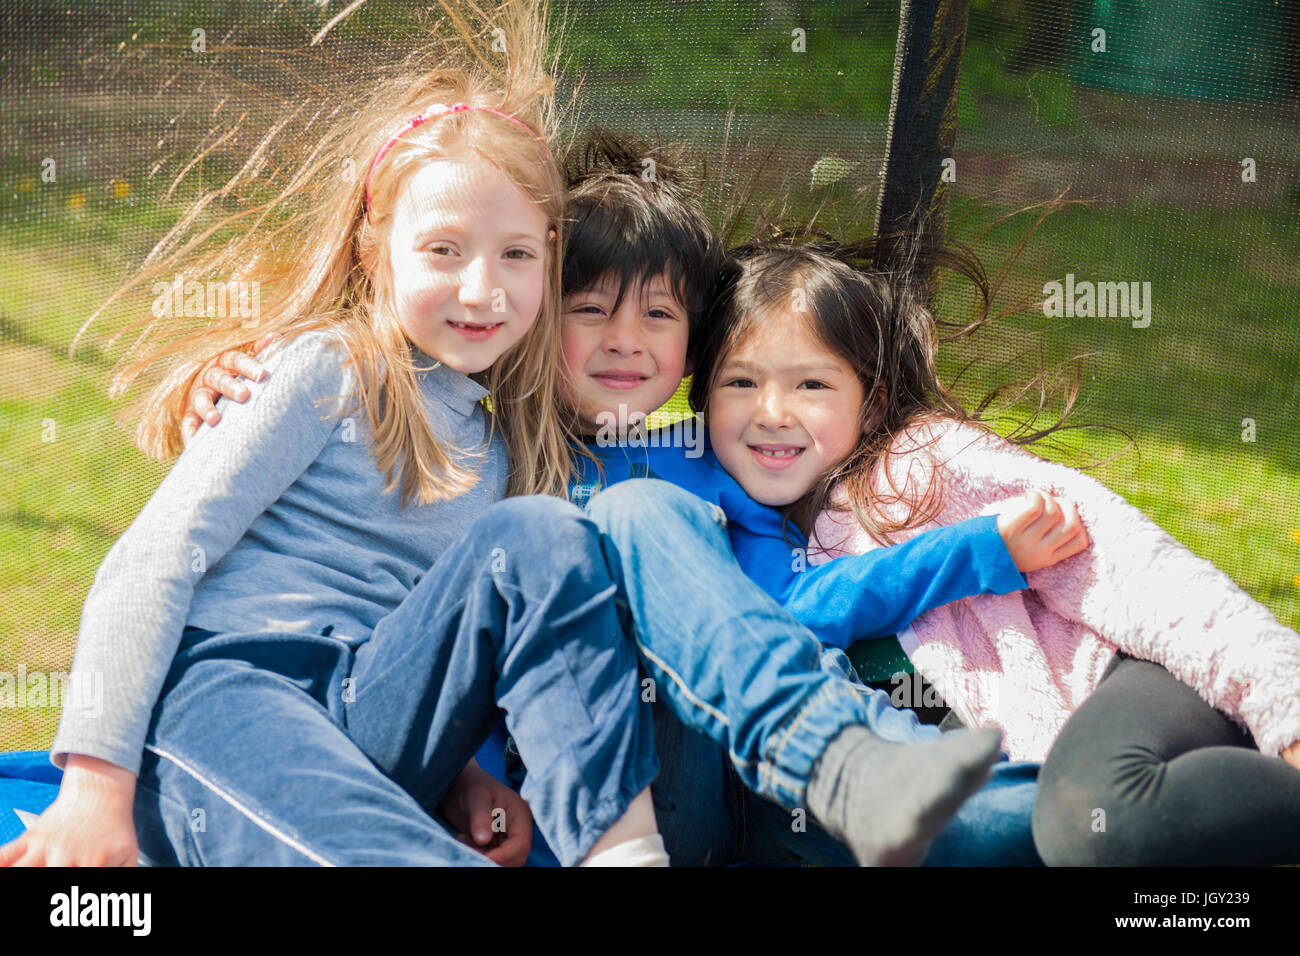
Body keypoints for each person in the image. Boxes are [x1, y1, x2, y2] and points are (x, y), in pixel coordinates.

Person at [183, 130, 1089, 865]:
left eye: (657, 315)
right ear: (539, 313)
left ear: (691, 345)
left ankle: (1062, 807)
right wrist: (225, 377)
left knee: (1061, 831)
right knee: (620, 519)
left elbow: (791, 607)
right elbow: (437, 640)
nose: (625, 341)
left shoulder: (708, 466)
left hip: (738, 778)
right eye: (590, 309)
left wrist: (975, 549)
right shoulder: (489, 459)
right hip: (590, 803)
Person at [0, 1, 669, 868]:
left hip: (362, 712)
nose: (482, 288)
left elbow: (416, 643)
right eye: (443, 250)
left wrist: (464, 774)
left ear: (547, 256)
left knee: (542, 535)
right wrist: (96, 785)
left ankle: (625, 854)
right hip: (236, 691)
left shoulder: (497, 450)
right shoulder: (327, 369)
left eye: (515, 255)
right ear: (371, 250)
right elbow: (153, 558)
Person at [688, 229, 1300, 866]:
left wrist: (1285, 704)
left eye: (811, 384)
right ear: (701, 399)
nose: (772, 412)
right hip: (1013, 792)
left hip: (1119, 688)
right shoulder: (712, 533)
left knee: (1094, 825)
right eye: (739, 382)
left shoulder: (920, 466)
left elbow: (1135, 569)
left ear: (870, 405)